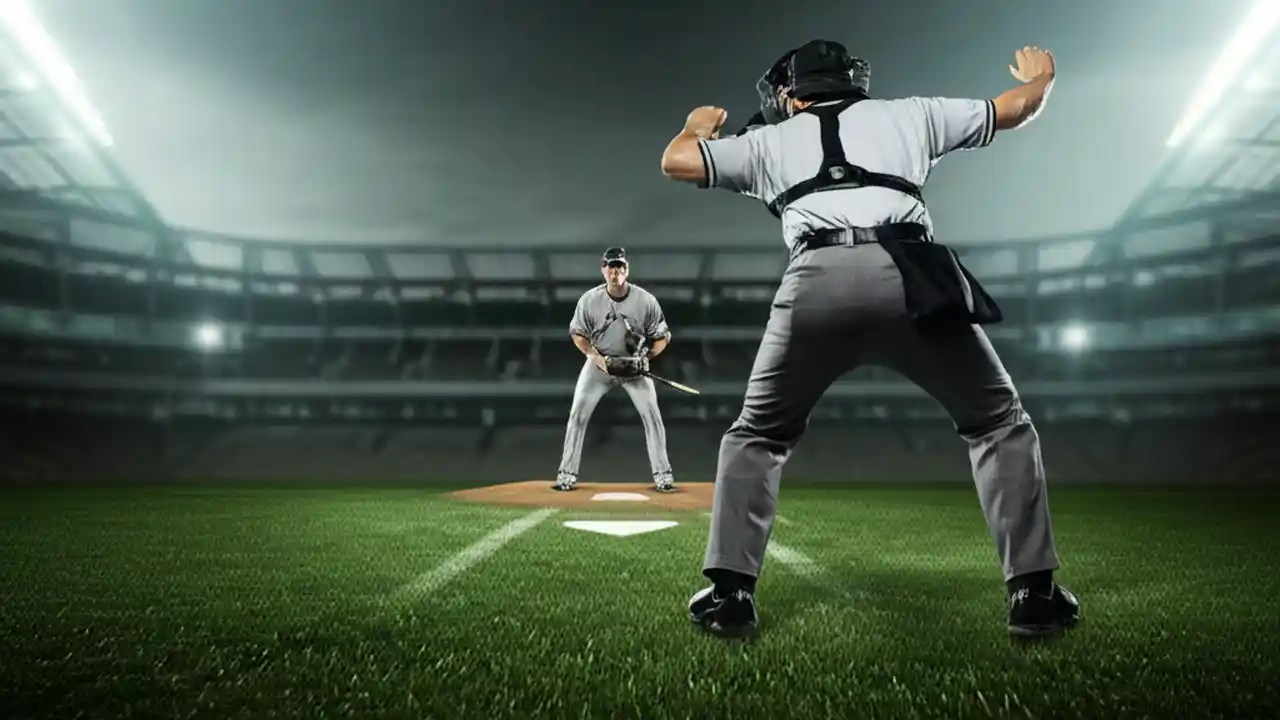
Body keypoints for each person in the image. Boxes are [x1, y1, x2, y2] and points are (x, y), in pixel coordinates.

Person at [659, 39, 1080, 638]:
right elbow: (1013, 109)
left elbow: (676, 161)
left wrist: (696, 125)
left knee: (758, 435)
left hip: (815, 280)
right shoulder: (912, 113)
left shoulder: (767, 142)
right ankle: (1033, 594)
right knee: (997, 424)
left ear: (793, 93)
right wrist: (1042, 80)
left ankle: (731, 595)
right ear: (853, 81)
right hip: (911, 276)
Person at [552, 247, 677, 493]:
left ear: (626, 270)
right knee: (577, 415)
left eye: (619, 267)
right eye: (611, 267)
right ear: (603, 270)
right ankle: (566, 474)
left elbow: (662, 336)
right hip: (600, 365)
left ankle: (663, 475)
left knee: (652, 417)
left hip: (633, 367)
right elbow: (578, 334)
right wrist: (595, 357)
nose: (615, 271)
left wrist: (648, 356)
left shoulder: (645, 300)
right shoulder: (590, 300)